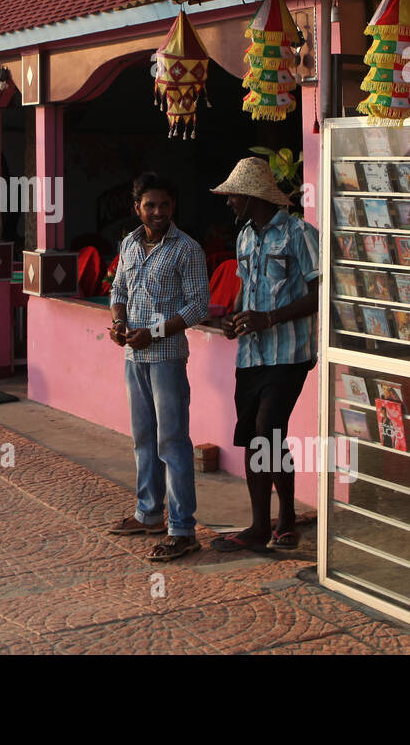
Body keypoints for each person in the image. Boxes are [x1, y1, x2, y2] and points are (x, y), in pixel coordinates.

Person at [211, 156, 319, 554]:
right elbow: (244, 289)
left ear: (252, 196)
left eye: (233, 196)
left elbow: (319, 294)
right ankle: (271, 522)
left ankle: (275, 521)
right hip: (250, 356)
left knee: (267, 432)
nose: (228, 203)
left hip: (289, 354)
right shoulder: (245, 238)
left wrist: (269, 318)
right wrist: (233, 317)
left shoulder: (298, 233)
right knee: (259, 439)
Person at [106, 172, 210, 562]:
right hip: (134, 358)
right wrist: (118, 322)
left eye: (164, 204)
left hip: (166, 359)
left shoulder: (187, 249)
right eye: (150, 205)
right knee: (142, 440)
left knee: (173, 443)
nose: (158, 211)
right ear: (137, 208)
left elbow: (198, 306)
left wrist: (153, 331)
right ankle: (148, 513)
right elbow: (118, 290)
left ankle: (183, 529)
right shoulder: (129, 244)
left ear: (173, 207)